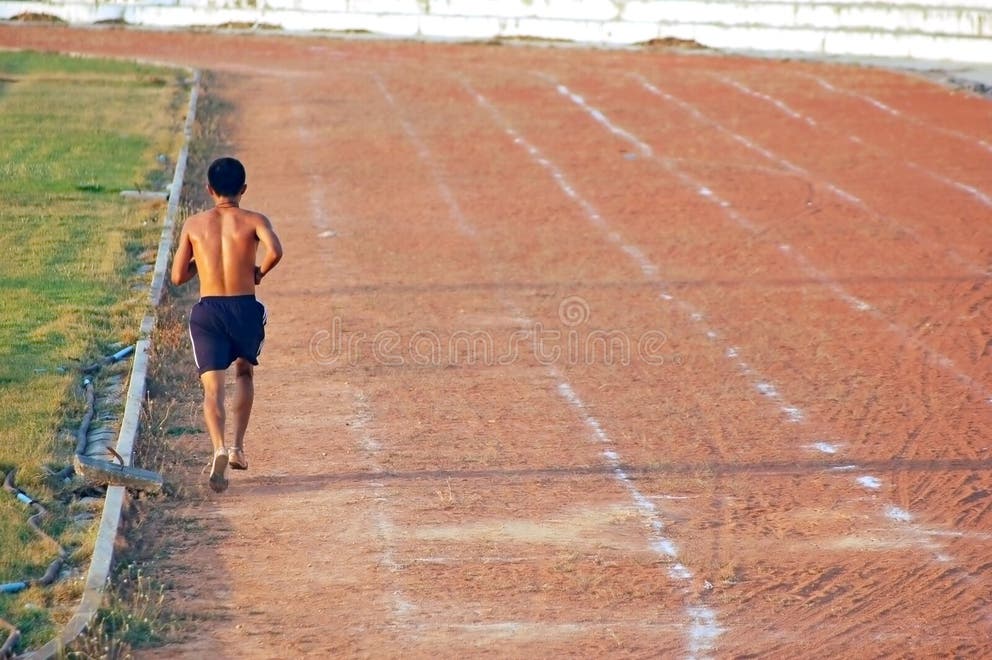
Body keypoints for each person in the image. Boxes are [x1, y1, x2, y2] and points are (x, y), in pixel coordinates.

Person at [170, 157, 283, 492]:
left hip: (209, 313)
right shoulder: (254, 220)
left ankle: (217, 446)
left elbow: (177, 277)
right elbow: (276, 250)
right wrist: (259, 272)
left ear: (209, 189)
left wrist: (200, 261)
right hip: (244, 308)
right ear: (243, 189)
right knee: (245, 372)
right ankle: (237, 447)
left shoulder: (193, 225)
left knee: (212, 389)